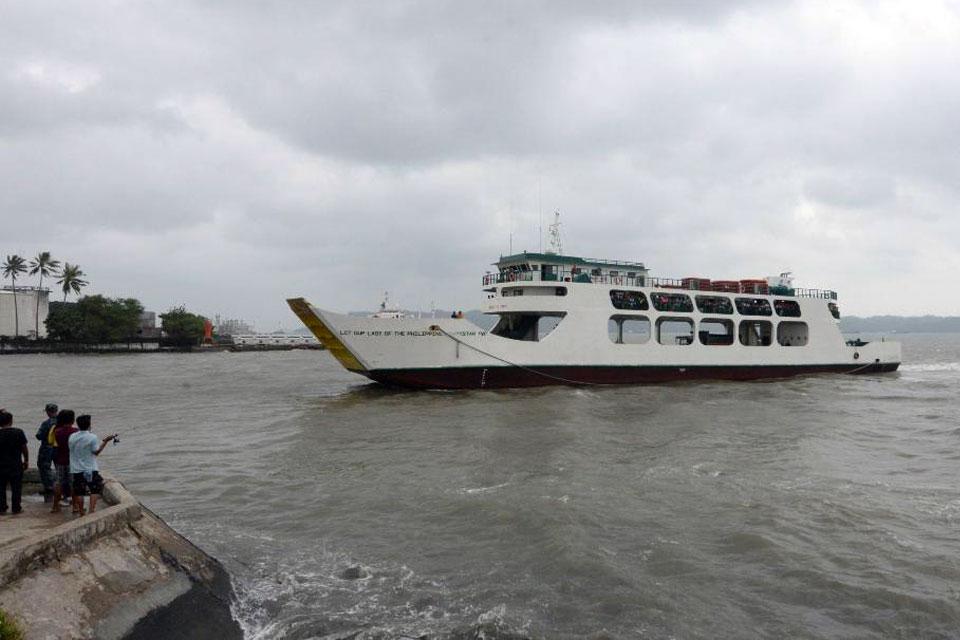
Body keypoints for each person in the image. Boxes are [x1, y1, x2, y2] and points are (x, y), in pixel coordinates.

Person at [68, 415, 117, 516]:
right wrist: (105, 442)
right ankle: (91, 510)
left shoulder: (72, 436)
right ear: (89, 425)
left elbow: (72, 450)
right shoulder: (92, 437)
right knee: (94, 490)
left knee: (79, 492)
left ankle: (81, 511)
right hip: (90, 468)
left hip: (76, 469)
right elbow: (96, 452)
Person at [0, 411, 29, 515]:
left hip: (1, 466)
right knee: (16, 487)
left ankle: (2, 507)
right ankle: (16, 507)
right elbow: (24, 448)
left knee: (1, 488)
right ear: (11, 421)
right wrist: (26, 460)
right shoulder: (18, 432)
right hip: (15, 465)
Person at [50, 409, 77, 513]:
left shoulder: (57, 431)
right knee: (73, 483)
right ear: (72, 420)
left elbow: (52, 443)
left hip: (60, 460)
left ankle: (55, 506)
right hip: (72, 461)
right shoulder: (75, 431)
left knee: (58, 483)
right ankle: (75, 506)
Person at [36, 402, 58, 501]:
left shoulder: (46, 423)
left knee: (44, 467)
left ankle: (49, 487)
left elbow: (39, 436)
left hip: (47, 448)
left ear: (48, 412)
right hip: (59, 448)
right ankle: (60, 486)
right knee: (60, 467)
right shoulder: (61, 422)